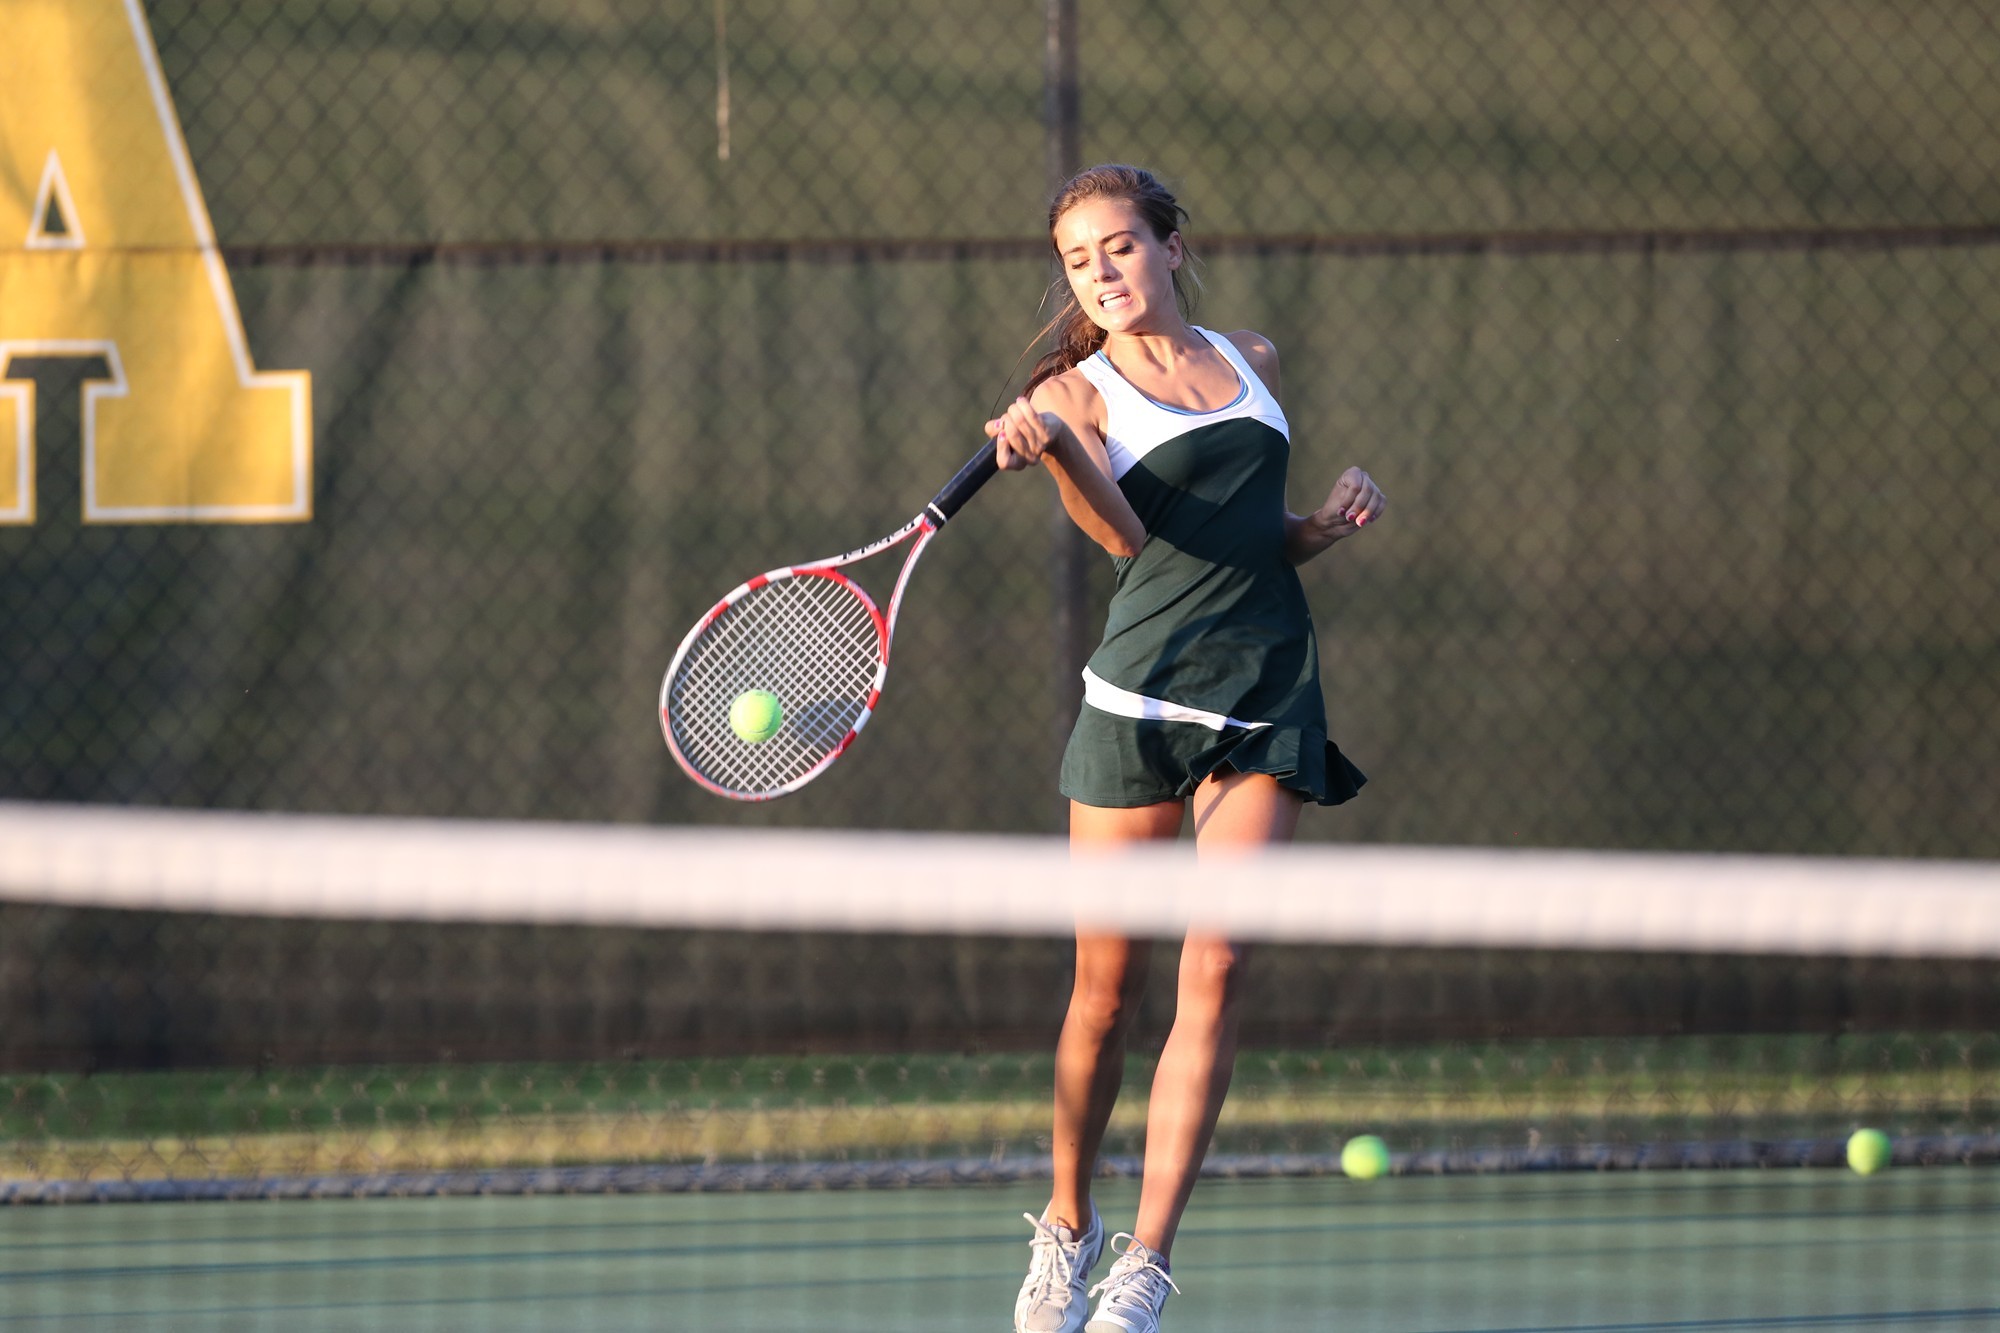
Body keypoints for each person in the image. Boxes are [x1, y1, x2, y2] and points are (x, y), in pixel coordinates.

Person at [987, 164, 1386, 1333]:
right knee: (1104, 996)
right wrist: (1054, 448)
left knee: (1214, 968)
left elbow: (1246, 542)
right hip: (1138, 699)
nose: (1099, 274)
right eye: (1075, 259)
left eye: (1117, 246)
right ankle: (1066, 1230)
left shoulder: (1250, 357)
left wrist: (1313, 527)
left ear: (1168, 245)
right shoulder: (1072, 393)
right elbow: (1126, 539)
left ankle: (1145, 1266)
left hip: (1263, 693)